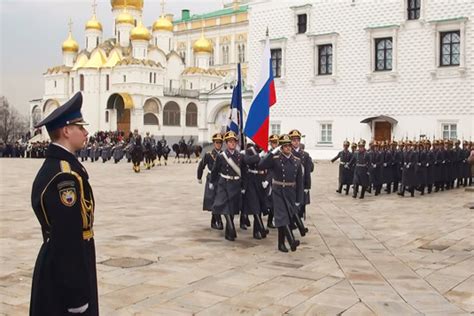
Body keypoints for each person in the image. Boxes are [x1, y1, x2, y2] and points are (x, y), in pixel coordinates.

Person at [30, 92, 98, 316]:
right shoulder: (64, 177)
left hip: (61, 265)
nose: (86, 132)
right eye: (81, 126)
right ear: (67, 131)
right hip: (65, 275)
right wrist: (76, 295)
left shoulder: (63, 167)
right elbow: (67, 236)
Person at [259, 134, 303, 252]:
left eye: (289, 146)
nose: (288, 148)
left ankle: (281, 244)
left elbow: (299, 181)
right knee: (282, 217)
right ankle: (291, 240)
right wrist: (273, 152)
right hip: (278, 190)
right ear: (281, 148)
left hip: (290, 192)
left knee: (287, 217)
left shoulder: (297, 161)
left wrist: (299, 199)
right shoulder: (275, 159)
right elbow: (261, 165)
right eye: (285, 146)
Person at [210, 131, 244, 241]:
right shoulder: (221, 156)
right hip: (224, 183)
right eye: (230, 141)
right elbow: (215, 170)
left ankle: (228, 233)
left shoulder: (240, 156)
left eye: (234, 141)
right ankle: (231, 227)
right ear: (226, 143)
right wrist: (212, 182)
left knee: (232, 208)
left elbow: (244, 172)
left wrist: (243, 186)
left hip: (235, 184)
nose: (232, 143)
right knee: (225, 207)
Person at [197, 133, 224, 230]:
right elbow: (201, 165)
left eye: (220, 143)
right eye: (217, 142)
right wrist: (199, 177)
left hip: (221, 179)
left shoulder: (224, 154)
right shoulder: (209, 154)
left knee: (219, 200)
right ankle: (218, 221)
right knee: (212, 199)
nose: (218, 144)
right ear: (213, 143)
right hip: (211, 179)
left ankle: (214, 221)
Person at [288, 129, 313, 220]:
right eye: (294, 140)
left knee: (301, 203)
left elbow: (307, 172)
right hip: (291, 182)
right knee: (292, 203)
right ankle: (293, 221)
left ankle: (299, 220)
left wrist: (307, 186)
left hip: (301, 182)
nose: (296, 142)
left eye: (297, 140)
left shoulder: (305, 155)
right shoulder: (288, 153)